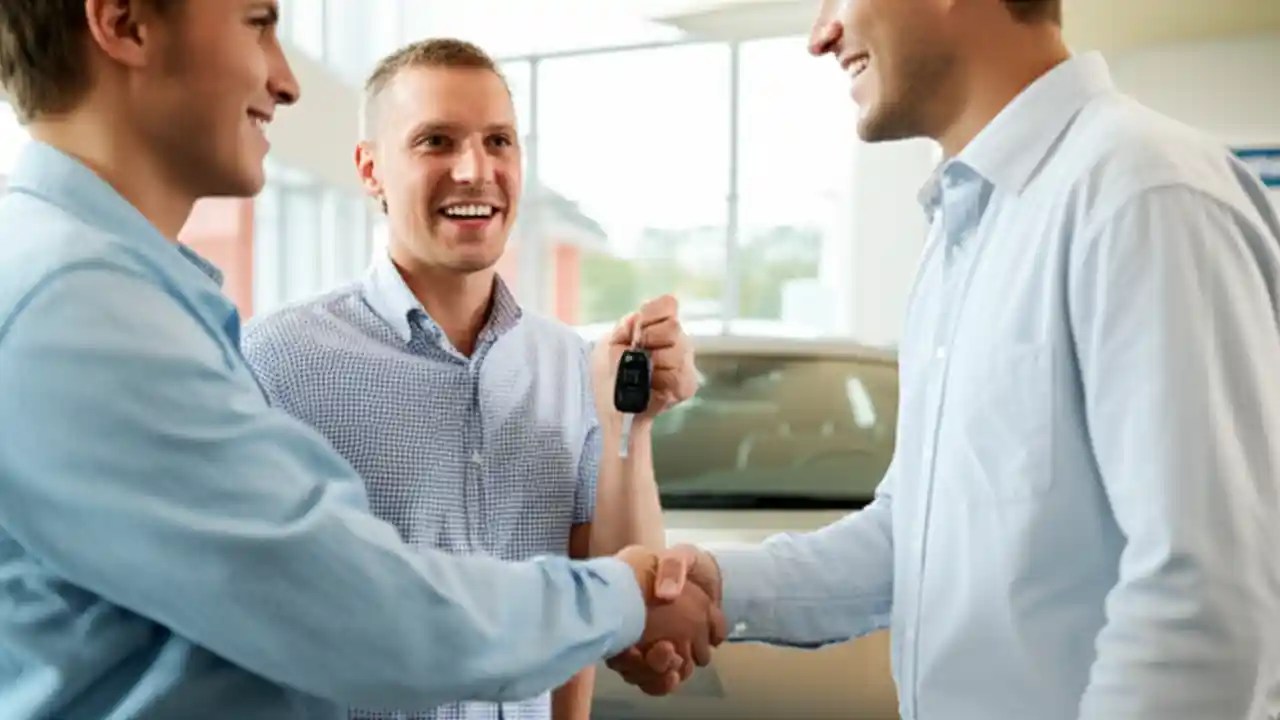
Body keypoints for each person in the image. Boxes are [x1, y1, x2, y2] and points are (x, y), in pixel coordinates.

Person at [0, 2, 722, 719]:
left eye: (500, 141)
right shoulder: (83, 304)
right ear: (124, 22)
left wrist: (630, 457)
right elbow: (360, 613)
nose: (287, 82)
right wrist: (621, 596)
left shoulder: (96, 286)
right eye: (258, 22)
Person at [614, 0, 1280, 718]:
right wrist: (717, 582)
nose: (821, 35)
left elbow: (1205, 592)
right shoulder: (966, 230)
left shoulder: (1143, 192)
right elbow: (916, 539)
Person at [241, 38, 688, 720]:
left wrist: (634, 422)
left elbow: (605, 608)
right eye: (436, 141)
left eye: (498, 141)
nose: (476, 170)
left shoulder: (573, 366)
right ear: (370, 169)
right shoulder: (275, 362)